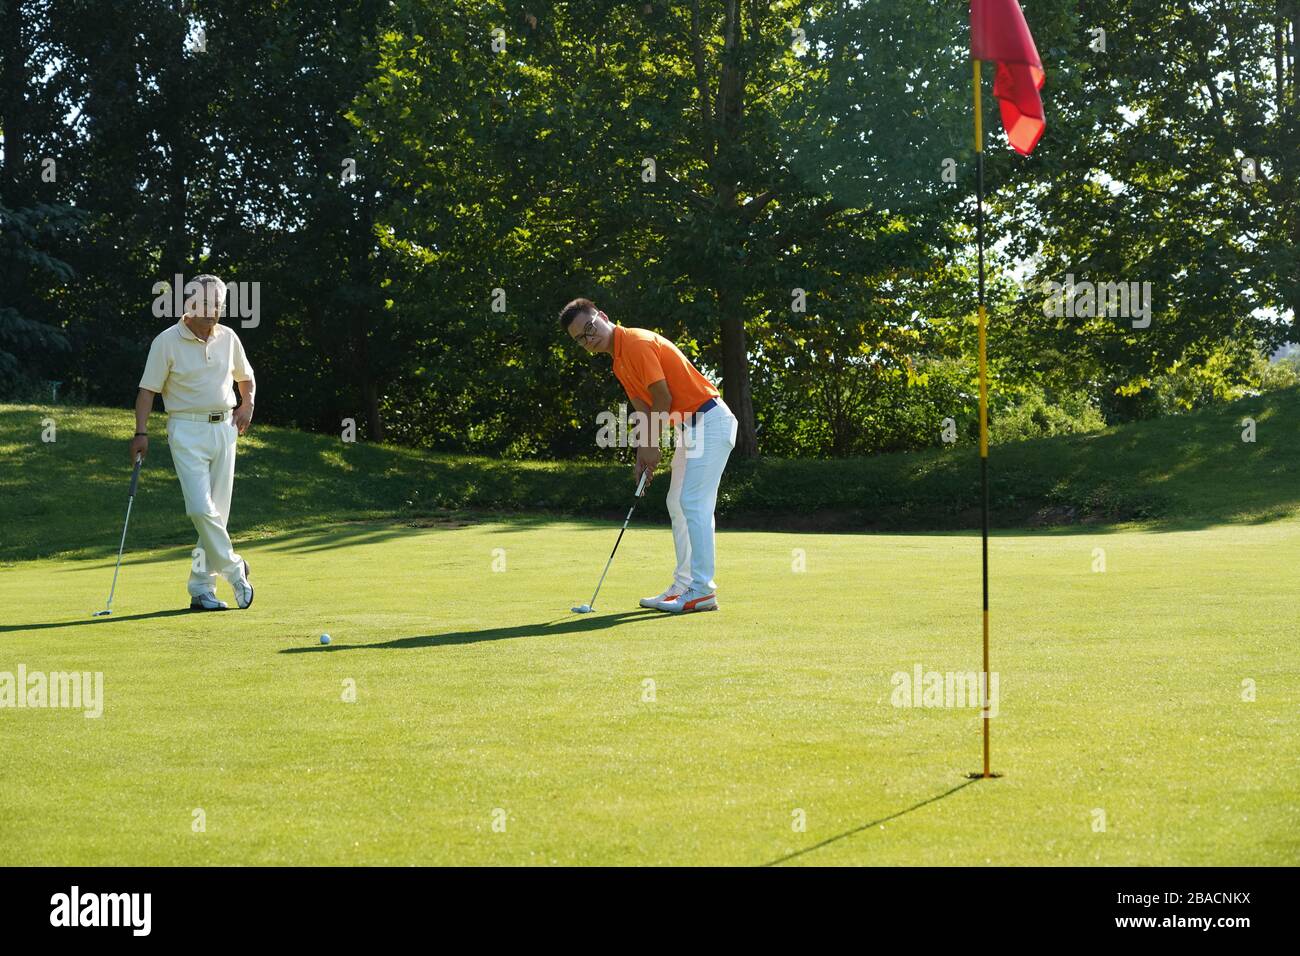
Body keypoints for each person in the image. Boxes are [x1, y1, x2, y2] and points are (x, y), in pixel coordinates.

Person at [560, 298, 737, 613]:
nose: (589, 339)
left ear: (602, 316)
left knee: (693, 503)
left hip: (710, 421)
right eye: (580, 338)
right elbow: (643, 408)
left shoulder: (637, 343)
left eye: (590, 328)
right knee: (677, 502)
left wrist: (651, 445)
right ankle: (683, 586)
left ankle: (702, 590)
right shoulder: (619, 361)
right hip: (691, 427)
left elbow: (662, 397)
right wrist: (643, 451)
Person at [130, 274, 256, 611]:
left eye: (219, 303)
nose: (214, 309)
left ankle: (201, 589)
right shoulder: (167, 341)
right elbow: (147, 392)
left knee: (217, 513)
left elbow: (245, 377)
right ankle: (234, 569)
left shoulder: (228, 338)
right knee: (200, 508)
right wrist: (141, 433)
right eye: (206, 303)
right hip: (185, 429)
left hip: (225, 429)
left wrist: (247, 405)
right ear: (189, 305)